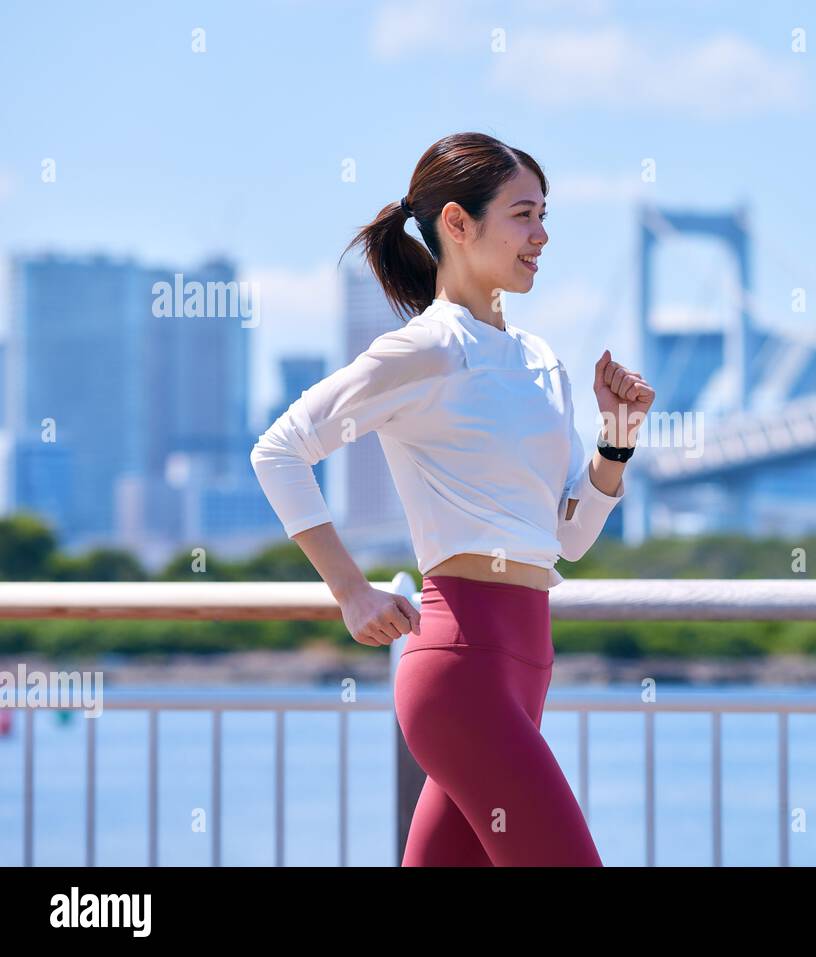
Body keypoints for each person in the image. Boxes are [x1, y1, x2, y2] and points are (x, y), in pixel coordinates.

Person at [249, 132, 655, 866]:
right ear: (458, 225)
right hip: (460, 665)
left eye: (544, 214)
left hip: (527, 659)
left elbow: (566, 538)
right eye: (523, 215)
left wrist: (616, 441)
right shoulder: (426, 350)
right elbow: (278, 450)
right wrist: (350, 592)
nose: (542, 234)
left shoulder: (539, 361)